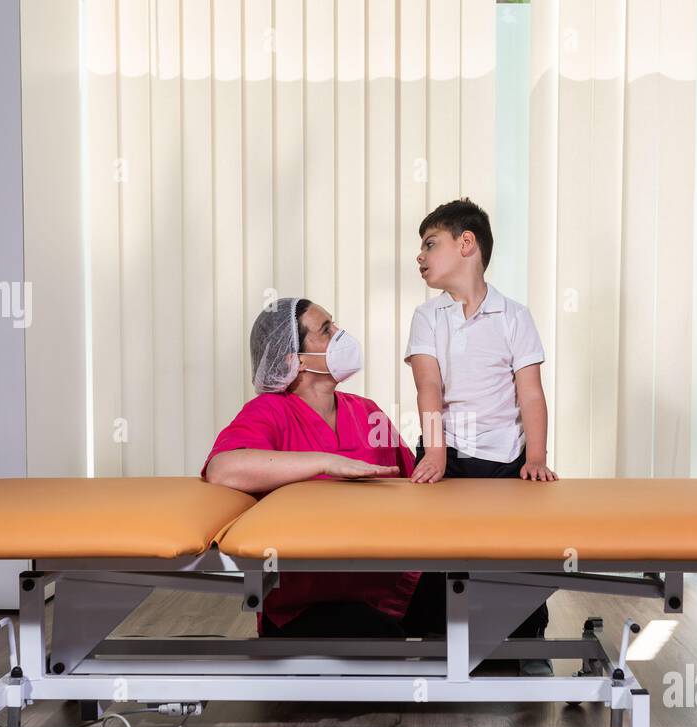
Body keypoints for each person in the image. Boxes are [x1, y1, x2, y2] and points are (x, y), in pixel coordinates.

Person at [203, 297, 444, 638]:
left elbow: (412, 485)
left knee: (467, 602)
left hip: (387, 589)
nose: (340, 334)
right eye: (326, 330)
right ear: (295, 360)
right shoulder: (269, 412)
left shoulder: (366, 411)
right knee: (380, 638)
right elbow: (223, 469)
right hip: (304, 603)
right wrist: (328, 462)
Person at [404, 198, 554, 670]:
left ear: (466, 243)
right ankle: (435, 637)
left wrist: (535, 456)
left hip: (505, 458)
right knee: (439, 549)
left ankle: (529, 640)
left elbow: (530, 395)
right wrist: (435, 451)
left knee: (519, 550)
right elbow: (429, 387)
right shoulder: (428, 318)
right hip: (447, 453)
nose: (420, 256)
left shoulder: (514, 316)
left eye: (430, 244)